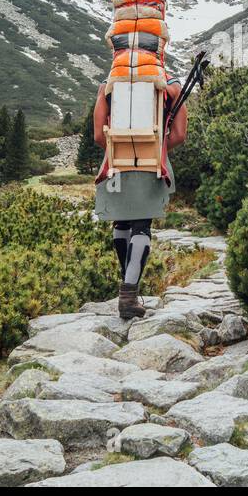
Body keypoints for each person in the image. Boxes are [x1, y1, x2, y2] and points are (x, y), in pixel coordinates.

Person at [93, 79, 188, 319]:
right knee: (141, 226)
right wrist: (153, 148)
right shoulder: (171, 86)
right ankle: (129, 295)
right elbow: (179, 135)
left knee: (121, 222)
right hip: (151, 162)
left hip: (115, 163)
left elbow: (97, 135)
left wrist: (119, 151)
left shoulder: (109, 84)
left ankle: (128, 287)